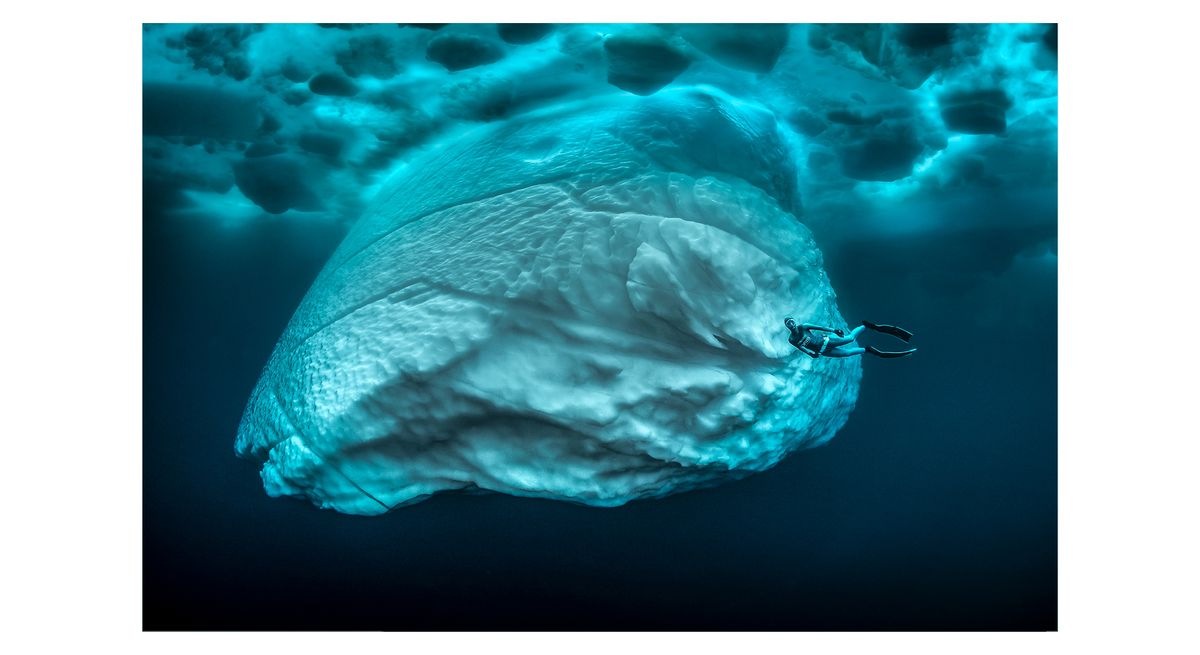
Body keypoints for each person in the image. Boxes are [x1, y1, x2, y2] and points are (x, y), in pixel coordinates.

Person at [784, 317, 916, 359]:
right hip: (823, 351)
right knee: (847, 353)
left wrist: (833, 330)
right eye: (788, 323)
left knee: (851, 339)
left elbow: (819, 328)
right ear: (787, 326)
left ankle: (866, 326)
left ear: (794, 321)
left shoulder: (804, 326)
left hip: (826, 341)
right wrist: (811, 354)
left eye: (791, 320)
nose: (790, 323)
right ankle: (867, 350)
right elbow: (801, 347)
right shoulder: (792, 339)